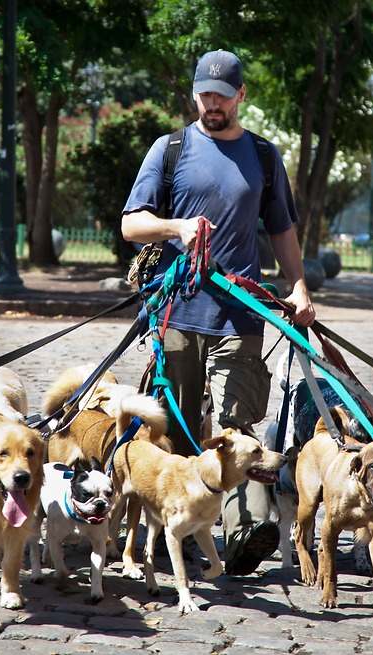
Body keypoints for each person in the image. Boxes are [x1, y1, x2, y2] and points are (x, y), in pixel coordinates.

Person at [121, 49, 314, 577]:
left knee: (237, 427)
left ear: (240, 97)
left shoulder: (264, 156)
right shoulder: (171, 149)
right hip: (178, 313)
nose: (212, 105)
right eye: (204, 95)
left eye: (222, 97)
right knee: (178, 431)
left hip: (241, 316)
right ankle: (172, 529)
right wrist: (175, 228)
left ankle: (246, 530)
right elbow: (132, 225)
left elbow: (282, 231)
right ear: (194, 94)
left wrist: (297, 287)